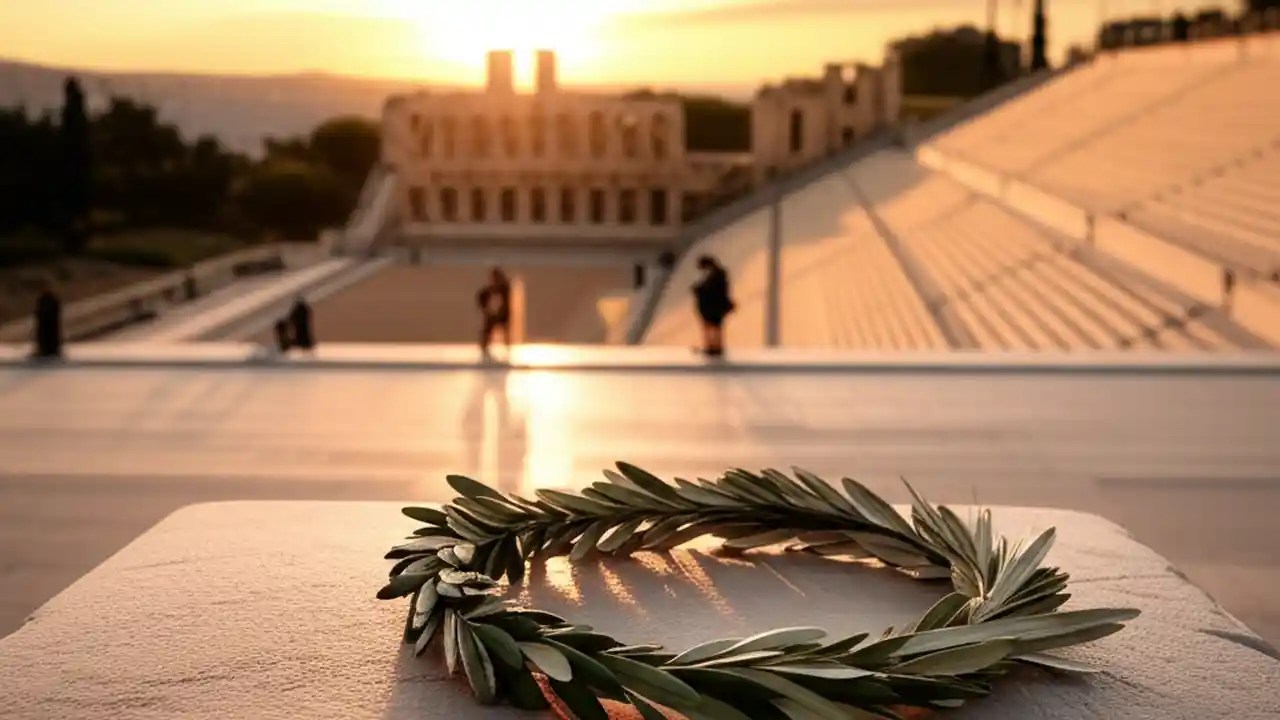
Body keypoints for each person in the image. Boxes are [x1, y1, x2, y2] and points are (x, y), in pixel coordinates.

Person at [693, 255, 734, 357]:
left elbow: (711, 290)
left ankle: (713, 346)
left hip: (712, 306)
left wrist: (699, 290)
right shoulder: (719, 275)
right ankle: (714, 346)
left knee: (712, 326)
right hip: (714, 306)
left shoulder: (716, 277)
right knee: (715, 326)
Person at [477, 267, 512, 355]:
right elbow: (482, 296)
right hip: (494, 315)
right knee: (487, 328)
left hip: (503, 315)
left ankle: (507, 347)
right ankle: (484, 348)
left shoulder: (504, 288)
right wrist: (486, 309)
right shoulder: (490, 289)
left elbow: (506, 303)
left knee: (504, 329)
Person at [33, 285, 63, 360]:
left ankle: (47, 350)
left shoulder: (44, 300)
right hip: (48, 325)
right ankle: (48, 350)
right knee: (48, 336)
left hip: (47, 325)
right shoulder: (48, 300)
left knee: (47, 336)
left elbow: (39, 312)